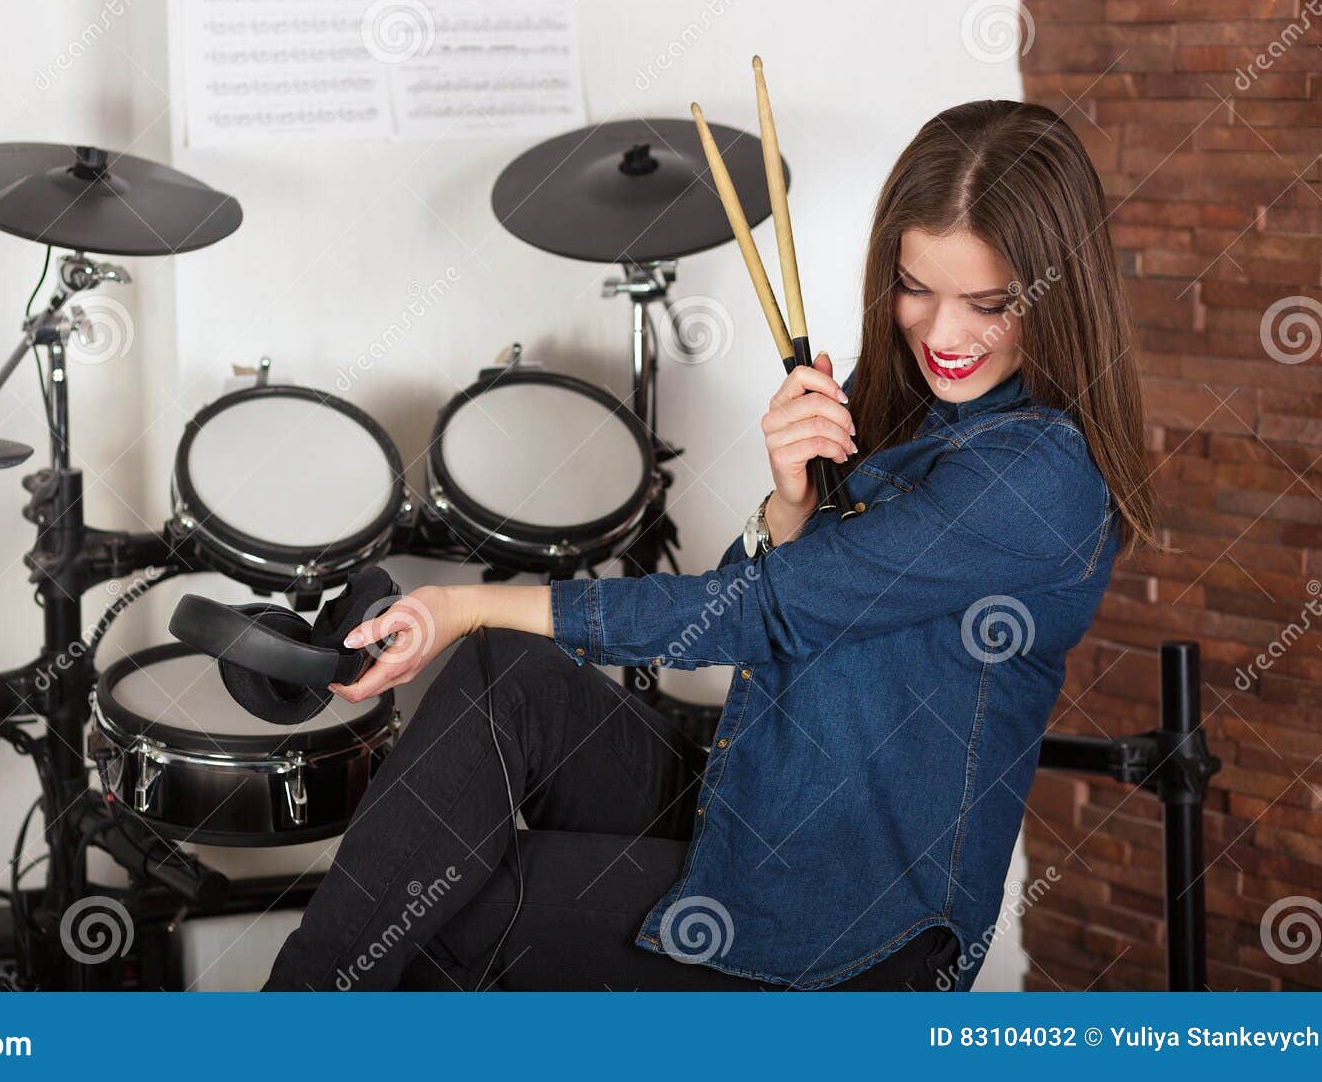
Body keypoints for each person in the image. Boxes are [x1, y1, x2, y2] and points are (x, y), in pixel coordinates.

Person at [263, 99, 1157, 992]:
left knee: (451, 903)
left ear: (1057, 289)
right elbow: (757, 610)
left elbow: (758, 615)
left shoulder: (1036, 474)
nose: (942, 334)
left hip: (849, 929)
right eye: (916, 287)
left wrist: (463, 603)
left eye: (988, 303)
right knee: (507, 678)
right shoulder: (894, 402)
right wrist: (789, 500)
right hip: (754, 809)